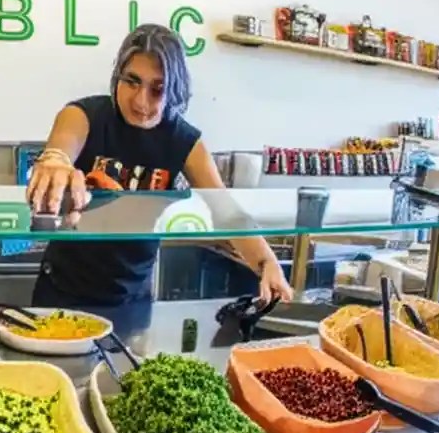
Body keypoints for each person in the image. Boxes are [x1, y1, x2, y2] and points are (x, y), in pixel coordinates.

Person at [26, 24, 294, 308]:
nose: (141, 101)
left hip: (133, 297)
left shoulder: (184, 141)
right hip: (62, 289)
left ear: (175, 91)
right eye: (132, 81)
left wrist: (268, 263)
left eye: (158, 89)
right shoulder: (83, 116)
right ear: (117, 77)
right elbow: (59, 151)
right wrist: (55, 161)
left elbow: (226, 212)